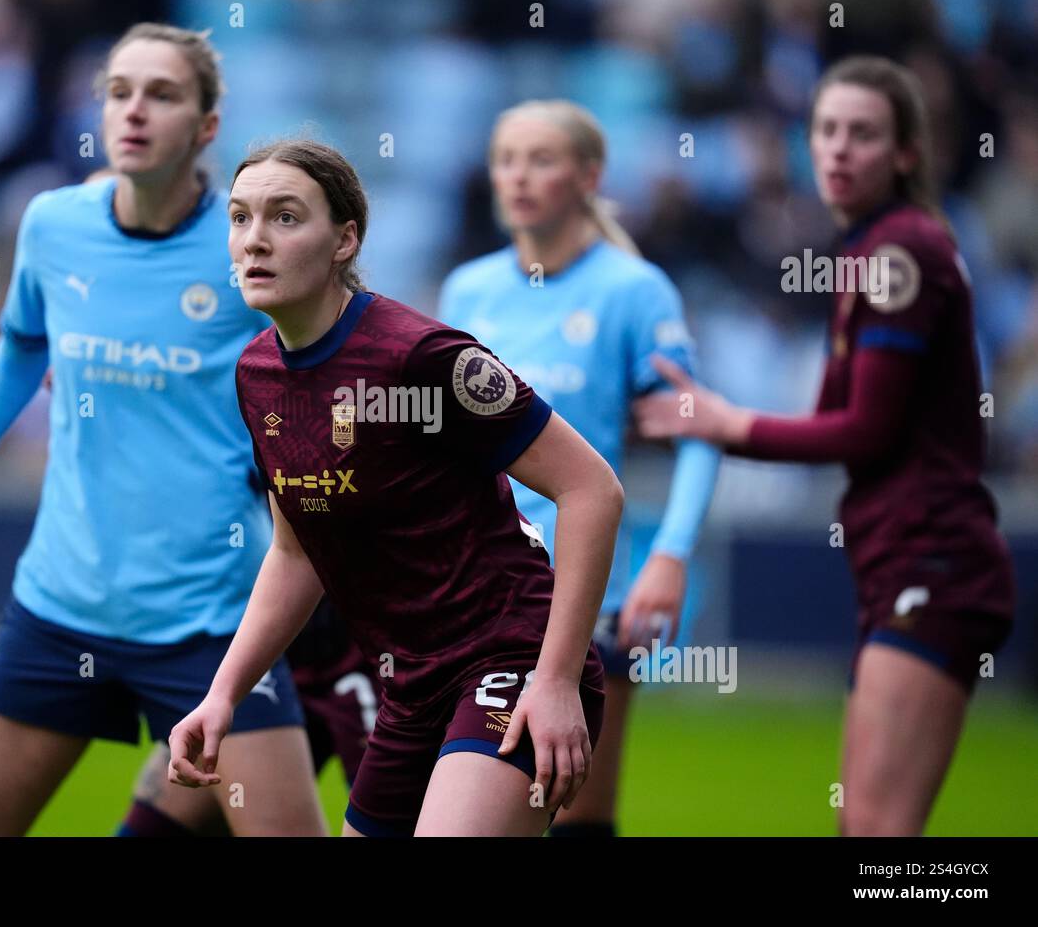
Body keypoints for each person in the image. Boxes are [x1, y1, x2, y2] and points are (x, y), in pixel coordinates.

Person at [0, 23, 324, 837]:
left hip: (212, 622)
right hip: (60, 607)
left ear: (207, 125)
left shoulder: (250, 246)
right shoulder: (52, 224)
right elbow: (17, 355)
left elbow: (328, 381)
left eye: (163, 93)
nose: (134, 111)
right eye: (119, 92)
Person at [168, 138, 626, 837]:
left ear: (344, 239)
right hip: (409, 687)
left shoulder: (422, 355)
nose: (254, 239)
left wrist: (556, 678)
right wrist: (223, 694)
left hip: (512, 659)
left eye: (285, 217)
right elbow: (296, 556)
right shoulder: (256, 373)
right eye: (239, 217)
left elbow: (592, 488)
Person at [633, 56, 1015, 836]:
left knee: (875, 836)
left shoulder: (900, 253)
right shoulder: (870, 249)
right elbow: (840, 424)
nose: (838, 149)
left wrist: (725, 423)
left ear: (908, 153)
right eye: (827, 130)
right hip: (901, 563)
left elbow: (864, 430)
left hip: (931, 562)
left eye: (864, 134)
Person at [438, 99, 721, 837]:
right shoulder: (469, 289)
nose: (519, 176)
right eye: (506, 159)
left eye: (542, 159)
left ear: (589, 174)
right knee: (456, 799)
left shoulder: (633, 290)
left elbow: (698, 428)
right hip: (474, 588)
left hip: (584, 592)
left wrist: (671, 552)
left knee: (571, 810)